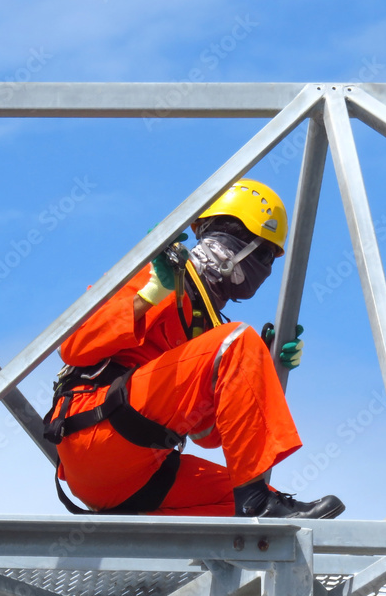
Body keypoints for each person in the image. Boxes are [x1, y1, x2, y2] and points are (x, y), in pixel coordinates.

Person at [45, 179, 345, 519]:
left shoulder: (211, 332)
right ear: (234, 243)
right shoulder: (150, 273)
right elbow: (73, 345)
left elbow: (210, 435)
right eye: (262, 254)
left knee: (266, 517)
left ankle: (249, 526)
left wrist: (262, 368)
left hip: (138, 474)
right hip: (96, 435)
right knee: (236, 342)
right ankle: (255, 500)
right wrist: (151, 295)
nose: (264, 268)